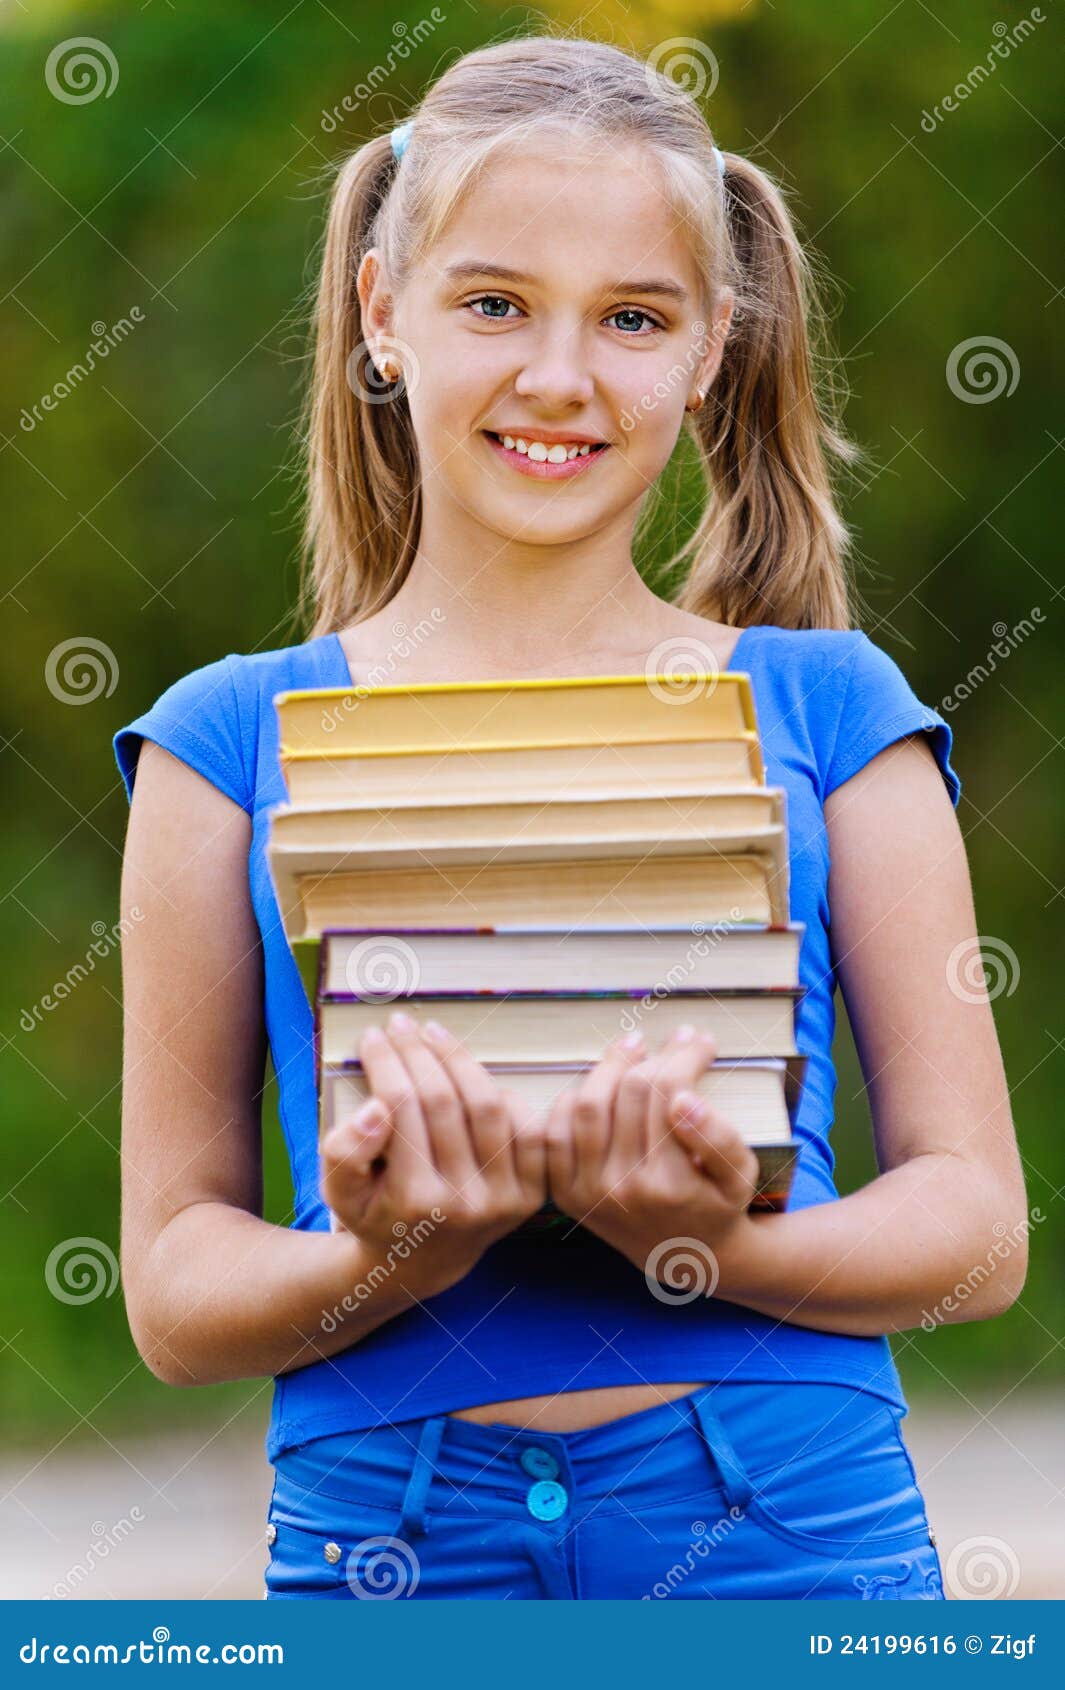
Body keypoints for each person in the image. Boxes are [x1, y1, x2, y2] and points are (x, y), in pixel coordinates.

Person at [112, 34, 1026, 1601]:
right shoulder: (223, 738)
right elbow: (177, 1288)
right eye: (492, 303)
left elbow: (975, 1227)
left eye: (631, 318)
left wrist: (715, 1247)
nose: (558, 375)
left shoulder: (829, 706)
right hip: (385, 1530)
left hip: (782, 1523)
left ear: (712, 345)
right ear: (380, 314)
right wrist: (393, 1255)